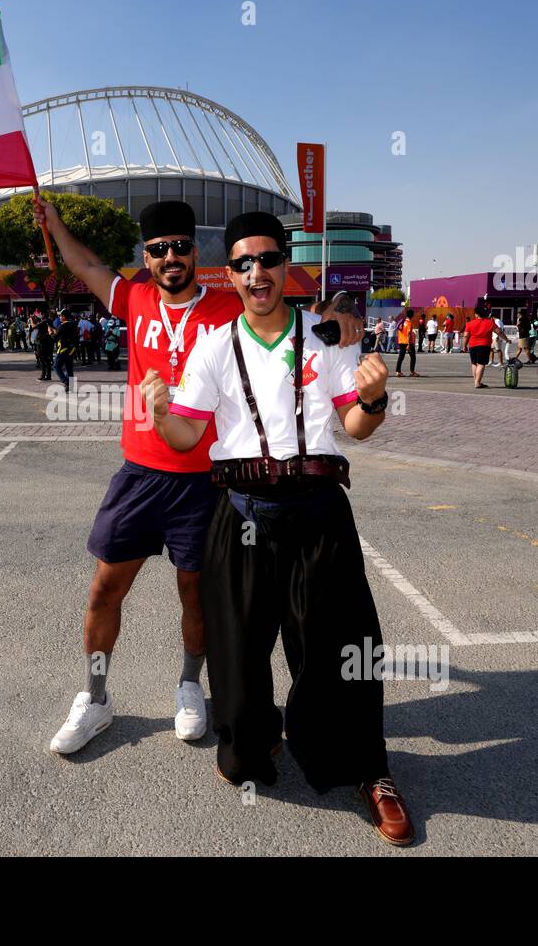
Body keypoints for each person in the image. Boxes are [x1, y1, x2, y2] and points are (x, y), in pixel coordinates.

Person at [33, 195, 363, 758]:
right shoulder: (133, 299)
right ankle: (95, 697)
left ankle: (190, 687)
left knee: (197, 597)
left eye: (180, 247)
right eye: (158, 250)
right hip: (139, 474)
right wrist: (54, 223)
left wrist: (340, 306)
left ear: (196, 253)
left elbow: (291, 309)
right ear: (147, 255)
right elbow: (86, 265)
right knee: (104, 590)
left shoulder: (227, 308)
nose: (170, 257)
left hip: (206, 482)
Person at [140, 210, 412, 846]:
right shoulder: (213, 348)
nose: (256, 272)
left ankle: (367, 767)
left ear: (287, 266)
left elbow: (355, 427)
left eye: (267, 260)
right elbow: (186, 432)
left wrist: (374, 400)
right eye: (243, 263)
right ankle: (249, 745)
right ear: (230, 274)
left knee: (343, 649)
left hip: (318, 512)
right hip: (240, 514)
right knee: (236, 655)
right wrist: (158, 413)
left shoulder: (327, 337)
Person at [464, 304, 501, 388]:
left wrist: (464, 345)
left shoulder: (470, 324)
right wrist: (506, 339)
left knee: (474, 363)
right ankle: (477, 383)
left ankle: (476, 381)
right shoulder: (490, 323)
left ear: (476, 314)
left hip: (472, 345)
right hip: (484, 345)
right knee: (481, 364)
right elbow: (499, 332)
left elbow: (466, 336)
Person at [394, 309, 418, 378]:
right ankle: (412, 372)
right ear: (412, 315)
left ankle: (398, 371)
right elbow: (408, 334)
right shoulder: (409, 323)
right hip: (407, 342)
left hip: (401, 341)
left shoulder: (402, 321)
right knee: (413, 357)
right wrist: (408, 344)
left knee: (401, 357)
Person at [32, 313, 54, 380]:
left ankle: (45, 375)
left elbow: (34, 327)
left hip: (44, 343)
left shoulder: (45, 321)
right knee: (45, 359)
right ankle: (47, 375)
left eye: (41, 314)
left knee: (44, 359)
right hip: (46, 342)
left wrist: (32, 320)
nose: (40, 315)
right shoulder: (47, 321)